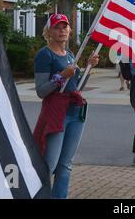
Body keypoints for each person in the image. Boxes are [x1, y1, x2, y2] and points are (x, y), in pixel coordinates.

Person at [33, 13, 99, 199]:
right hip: (56, 114)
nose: (62, 30)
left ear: (69, 30)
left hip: (75, 113)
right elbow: (41, 90)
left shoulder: (70, 55)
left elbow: (77, 88)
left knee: (65, 165)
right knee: (49, 164)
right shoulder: (44, 55)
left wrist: (88, 67)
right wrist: (61, 75)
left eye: (65, 27)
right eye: (57, 27)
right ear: (49, 32)